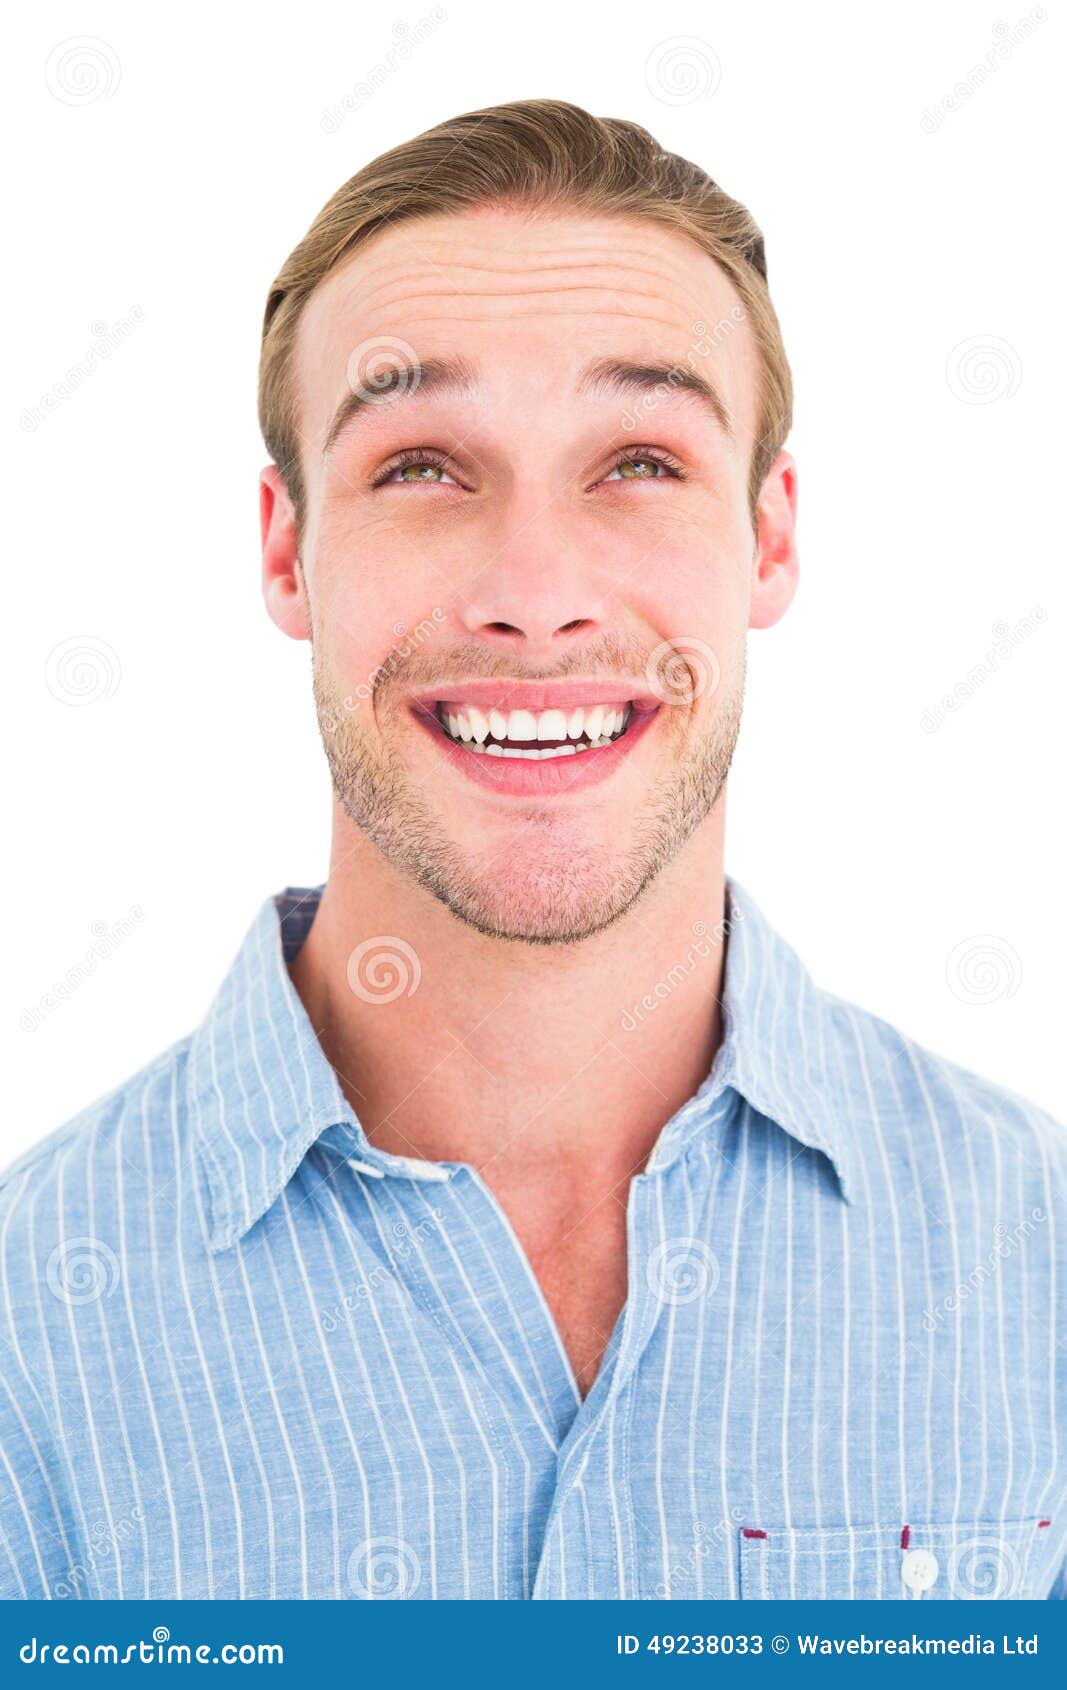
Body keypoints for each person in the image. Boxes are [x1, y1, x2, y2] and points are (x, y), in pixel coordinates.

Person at [2, 100, 1064, 1603]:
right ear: (286, 549)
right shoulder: (26, 1334)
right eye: (424, 465)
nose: (537, 592)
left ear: (768, 539)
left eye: (637, 458)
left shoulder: (1044, 1268)